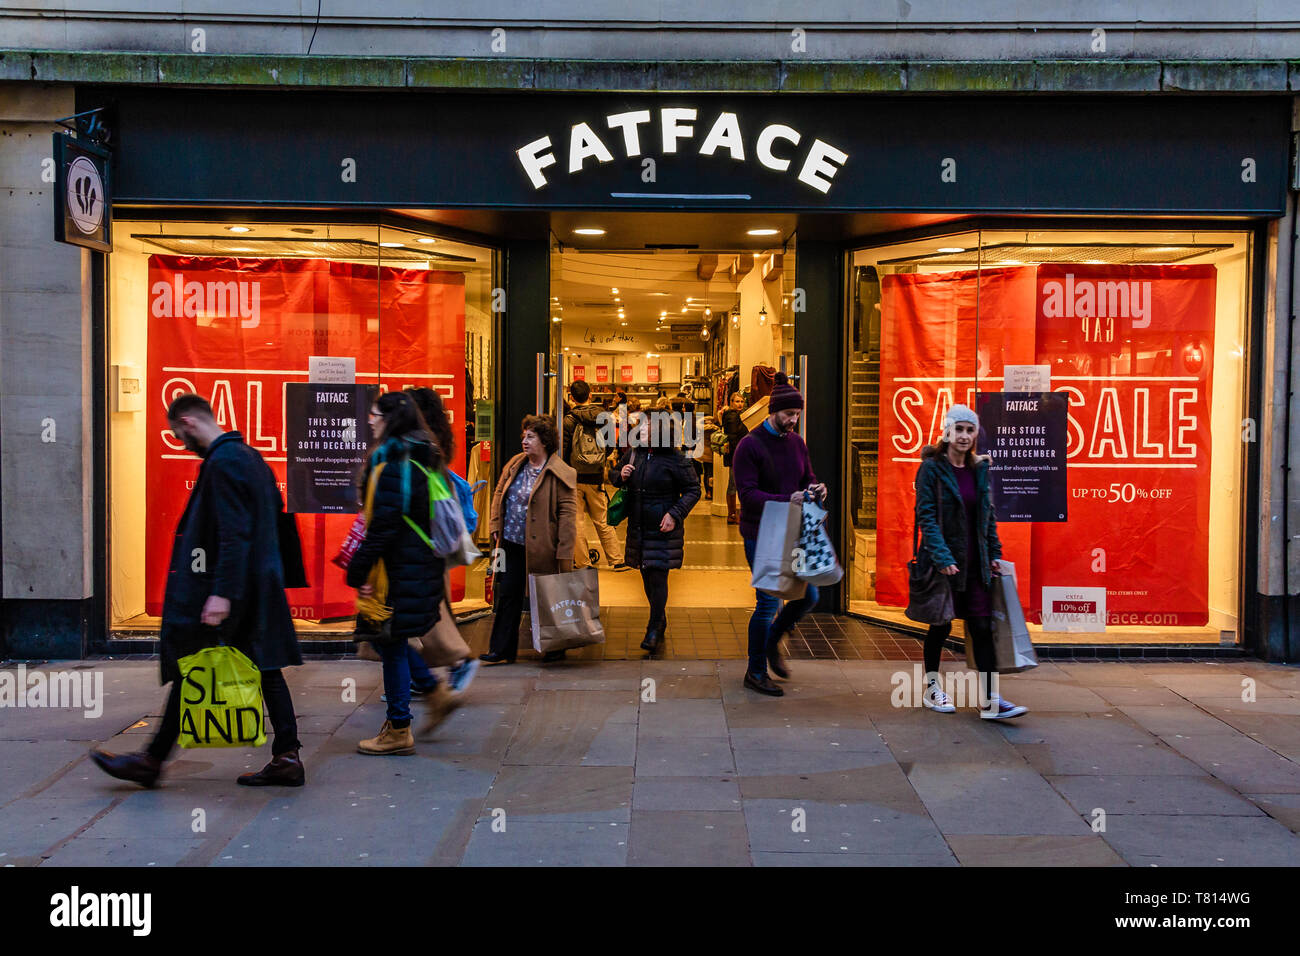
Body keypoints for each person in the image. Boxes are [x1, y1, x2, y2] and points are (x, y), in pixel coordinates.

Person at [91, 394, 306, 787]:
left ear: (188, 422)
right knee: (265, 668)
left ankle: (151, 762)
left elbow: (234, 532)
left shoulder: (223, 462)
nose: (180, 441)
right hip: (257, 586)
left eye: (177, 433)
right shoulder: (250, 457)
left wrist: (221, 593)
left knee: (193, 669)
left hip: (234, 592)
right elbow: (273, 520)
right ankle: (287, 755)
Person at [347, 391, 450, 754]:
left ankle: (398, 728)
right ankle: (433, 691)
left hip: (397, 570)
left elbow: (384, 526)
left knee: (388, 642)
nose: (371, 420)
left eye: (375, 414)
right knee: (388, 639)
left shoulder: (393, 464)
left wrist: (358, 568)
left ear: (390, 419)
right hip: (417, 565)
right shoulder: (423, 456)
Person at [915, 405, 1027, 720]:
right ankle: (932, 689)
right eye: (958, 429)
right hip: (943, 563)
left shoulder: (979, 469)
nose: (964, 436)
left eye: (969, 430)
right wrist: (942, 556)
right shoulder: (931, 469)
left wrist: (994, 553)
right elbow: (926, 516)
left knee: (980, 626)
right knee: (940, 626)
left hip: (975, 563)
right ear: (947, 432)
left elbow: (987, 517)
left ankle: (991, 700)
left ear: (975, 434)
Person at [732, 373, 826, 697]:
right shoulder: (750, 445)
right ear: (773, 411)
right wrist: (789, 499)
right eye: (789, 414)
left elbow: (807, 477)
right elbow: (747, 495)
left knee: (809, 596)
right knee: (767, 601)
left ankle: (771, 642)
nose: (794, 419)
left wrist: (815, 488)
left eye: (797, 414)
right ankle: (755, 671)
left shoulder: (797, 443)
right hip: (761, 533)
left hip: (793, 531)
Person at [480, 415, 578, 665]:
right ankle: (501, 649)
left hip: (544, 546)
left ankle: (554, 646)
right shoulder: (516, 463)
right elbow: (499, 492)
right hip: (511, 542)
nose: (524, 441)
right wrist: (494, 524)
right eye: (524, 436)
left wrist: (564, 550)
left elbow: (568, 513)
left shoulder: (561, 472)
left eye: (530, 437)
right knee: (508, 594)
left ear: (544, 441)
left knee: (547, 596)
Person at [405, 386, 481, 696]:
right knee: (426, 609)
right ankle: (417, 673)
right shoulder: (433, 439)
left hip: (425, 537)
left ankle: (454, 662)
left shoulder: (420, 443)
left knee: (426, 612)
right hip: (430, 536)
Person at [610, 409, 701, 654]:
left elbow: (693, 489)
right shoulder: (634, 453)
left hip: (663, 527)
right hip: (638, 527)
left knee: (658, 577)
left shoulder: (676, 458)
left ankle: (653, 627)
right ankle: (660, 619)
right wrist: (621, 475)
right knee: (646, 576)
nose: (642, 430)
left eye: (647, 427)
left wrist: (675, 513)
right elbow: (612, 476)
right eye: (641, 426)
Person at [562, 379, 629, 572]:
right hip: (596, 477)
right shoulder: (605, 417)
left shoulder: (569, 420)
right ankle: (617, 560)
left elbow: (565, 450)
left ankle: (583, 563)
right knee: (603, 519)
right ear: (590, 395)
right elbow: (610, 446)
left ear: (572, 397)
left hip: (573, 478)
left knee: (576, 522)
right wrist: (599, 461)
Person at [720, 391, 749, 525]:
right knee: (733, 484)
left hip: (735, 455)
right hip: (736, 455)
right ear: (731, 403)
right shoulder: (732, 416)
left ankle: (733, 514)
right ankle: (731, 514)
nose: (740, 404)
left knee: (734, 483)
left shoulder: (735, 416)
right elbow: (732, 438)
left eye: (741, 401)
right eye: (737, 401)